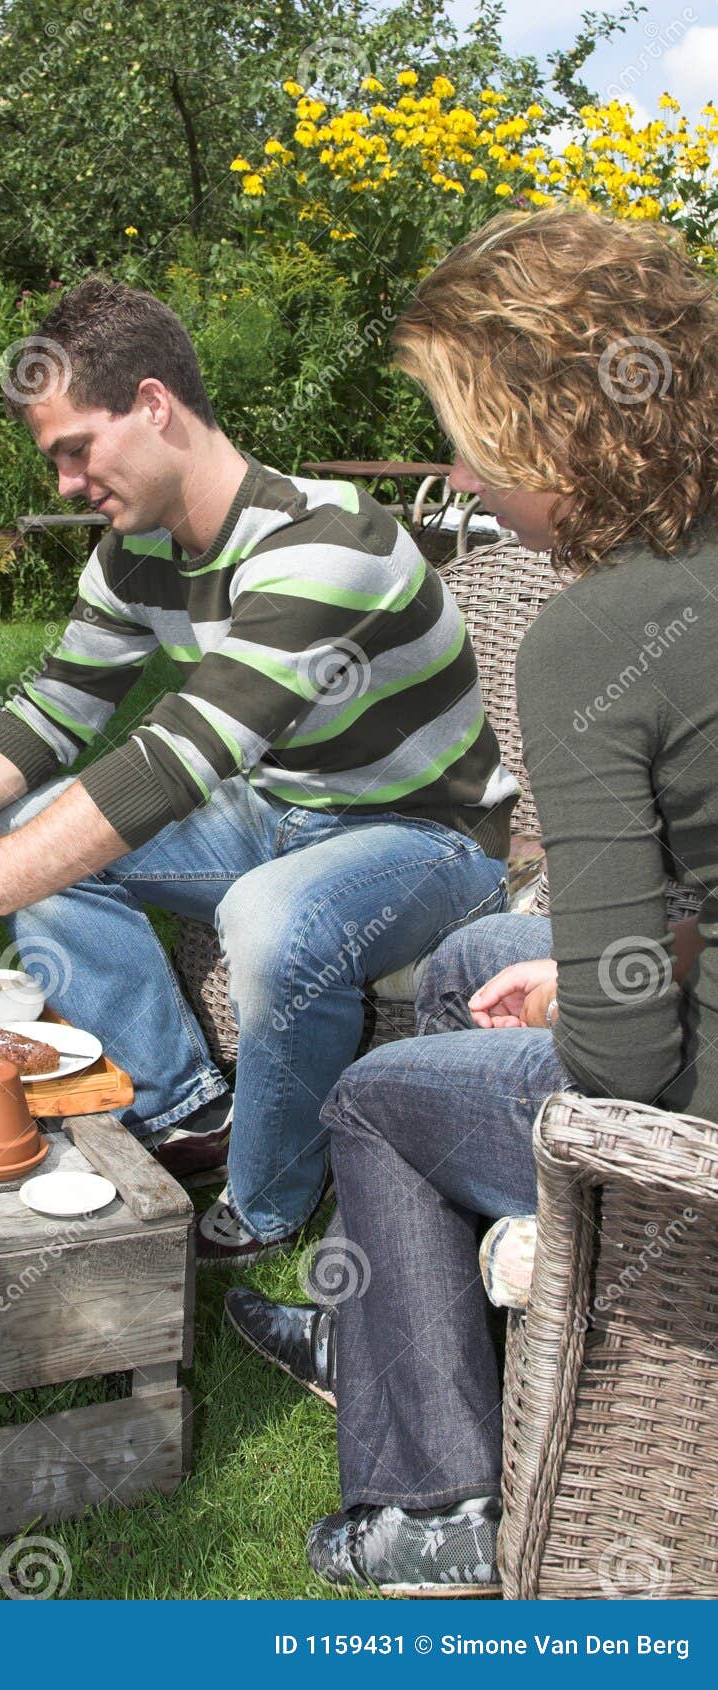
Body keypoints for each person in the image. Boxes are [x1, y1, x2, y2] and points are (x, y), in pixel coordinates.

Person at [0, 277, 516, 1264]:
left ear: (151, 404)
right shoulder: (132, 553)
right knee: (34, 820)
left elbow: (177, 759)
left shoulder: (327, 544)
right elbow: (49, 716)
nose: (62, 483)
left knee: (275, 918)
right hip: (275, 805)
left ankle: (267, 1207)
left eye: (74, 449)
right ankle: (185, 1109)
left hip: (427, 838)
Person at [225, 205, 718, 1591]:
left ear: (554, 424)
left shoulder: (597, 638)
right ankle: (394, 1333)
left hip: (694, 1127)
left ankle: (429, 1505)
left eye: (466, 428)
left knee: (376, 1102)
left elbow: (621, 1072)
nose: (454, 472)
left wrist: (613, 981)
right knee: (471, 969)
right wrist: (616, 956)